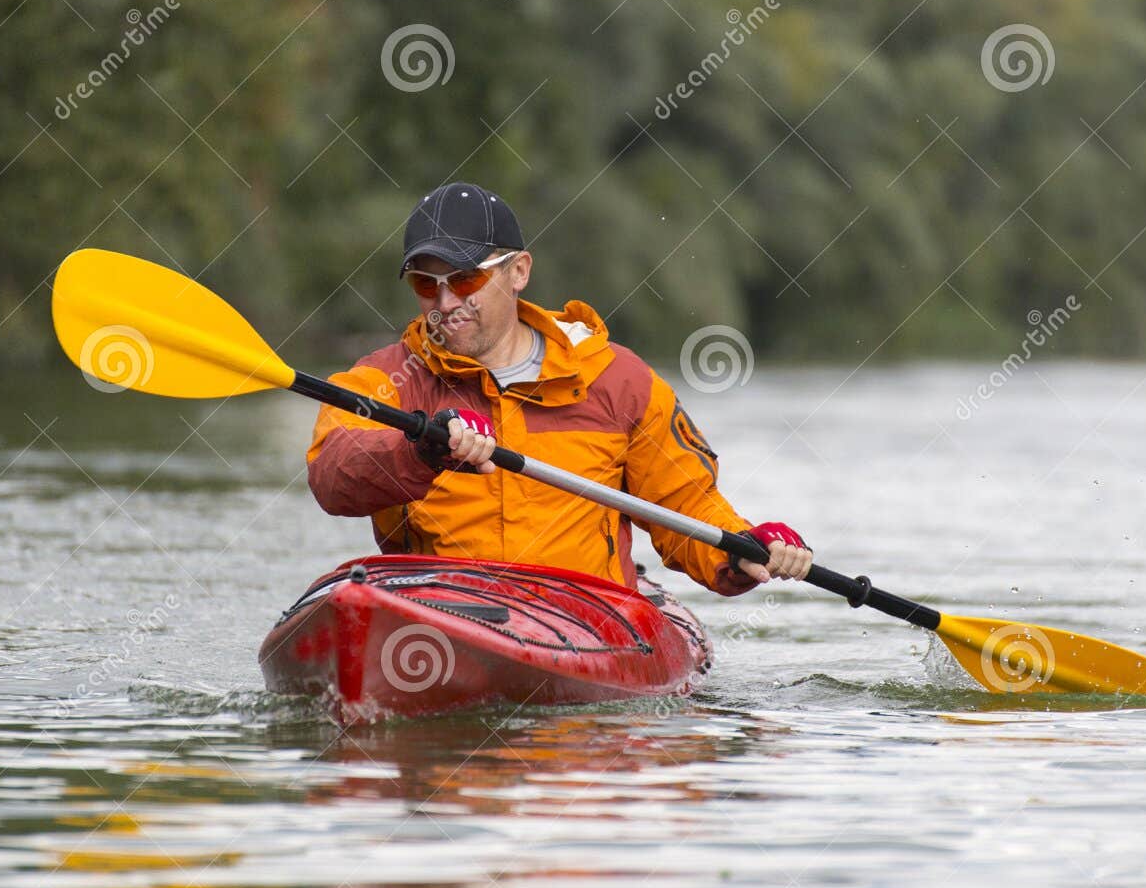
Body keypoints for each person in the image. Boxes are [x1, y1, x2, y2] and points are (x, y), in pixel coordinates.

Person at [305, 181, 813, 595]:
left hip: (588, 619)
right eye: (424, 283)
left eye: (463, 281)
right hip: (436, 618)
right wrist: (418, 451)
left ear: (519, 271)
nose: (444, 301)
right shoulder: (384, 379)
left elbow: (688, 508)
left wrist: (740, 547)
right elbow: (333, 473)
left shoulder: (620, 381)